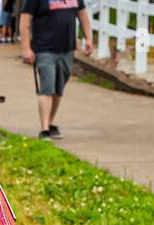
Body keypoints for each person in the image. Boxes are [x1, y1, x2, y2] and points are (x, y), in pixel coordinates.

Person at [20, 0, 92, 139]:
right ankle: (44, 129)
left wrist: (88, 38)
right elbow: (25, 19)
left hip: (67, 49)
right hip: (44, 49)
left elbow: (82, 14)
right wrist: (26, 48)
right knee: (47, 88)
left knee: (58, 90)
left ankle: (50, 123)